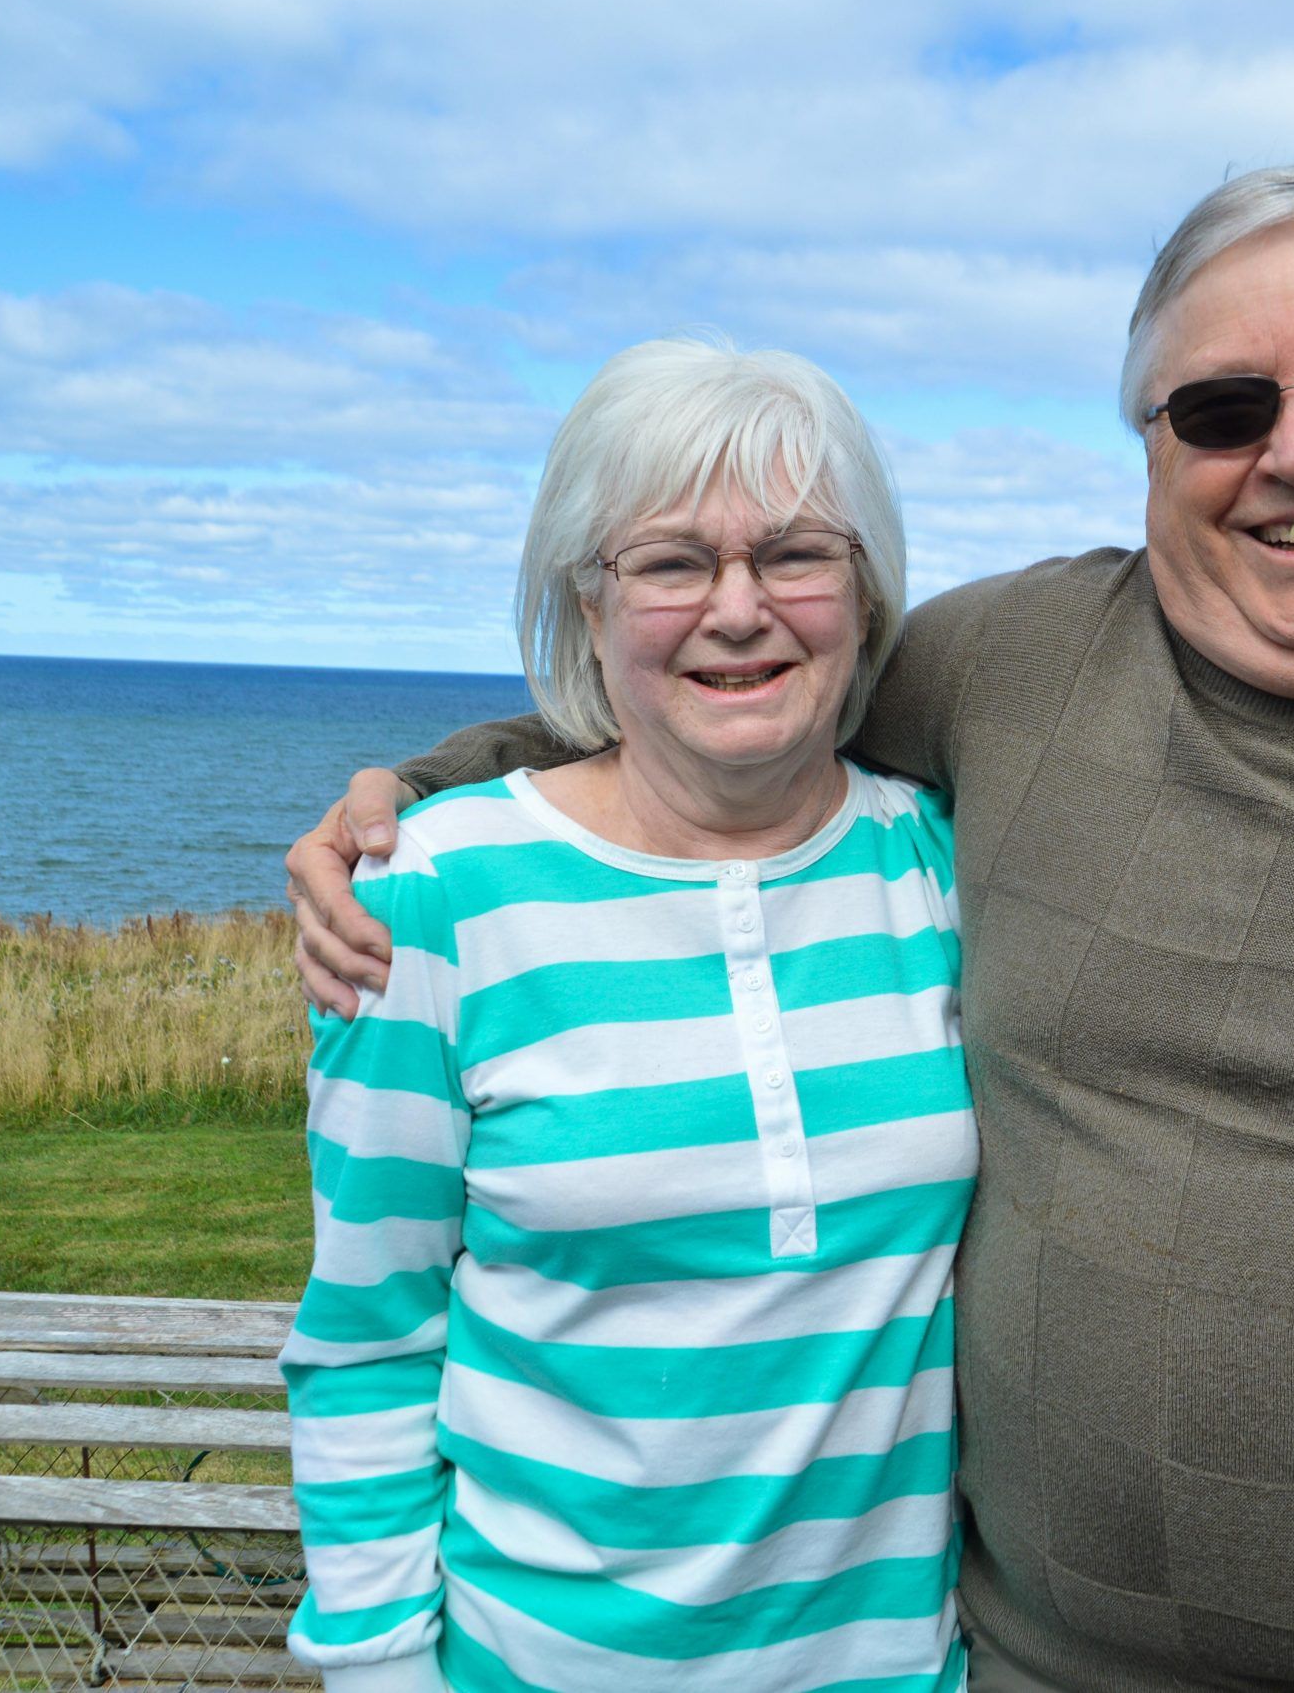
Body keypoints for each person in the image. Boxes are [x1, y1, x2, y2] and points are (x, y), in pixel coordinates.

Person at [291, 165, 1294, 1693]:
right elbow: (719, 715)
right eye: (1224, 408)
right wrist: (407, 801)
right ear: (1151, 449)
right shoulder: (1013, 672)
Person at [282, 337, 976, 1693]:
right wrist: (376, 1670)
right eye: (672, 563)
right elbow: (369, 1338)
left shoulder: (943, 871)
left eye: (796, 555)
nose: (739, 609)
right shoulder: (434, 894)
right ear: (587, 602)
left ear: (866, 592)